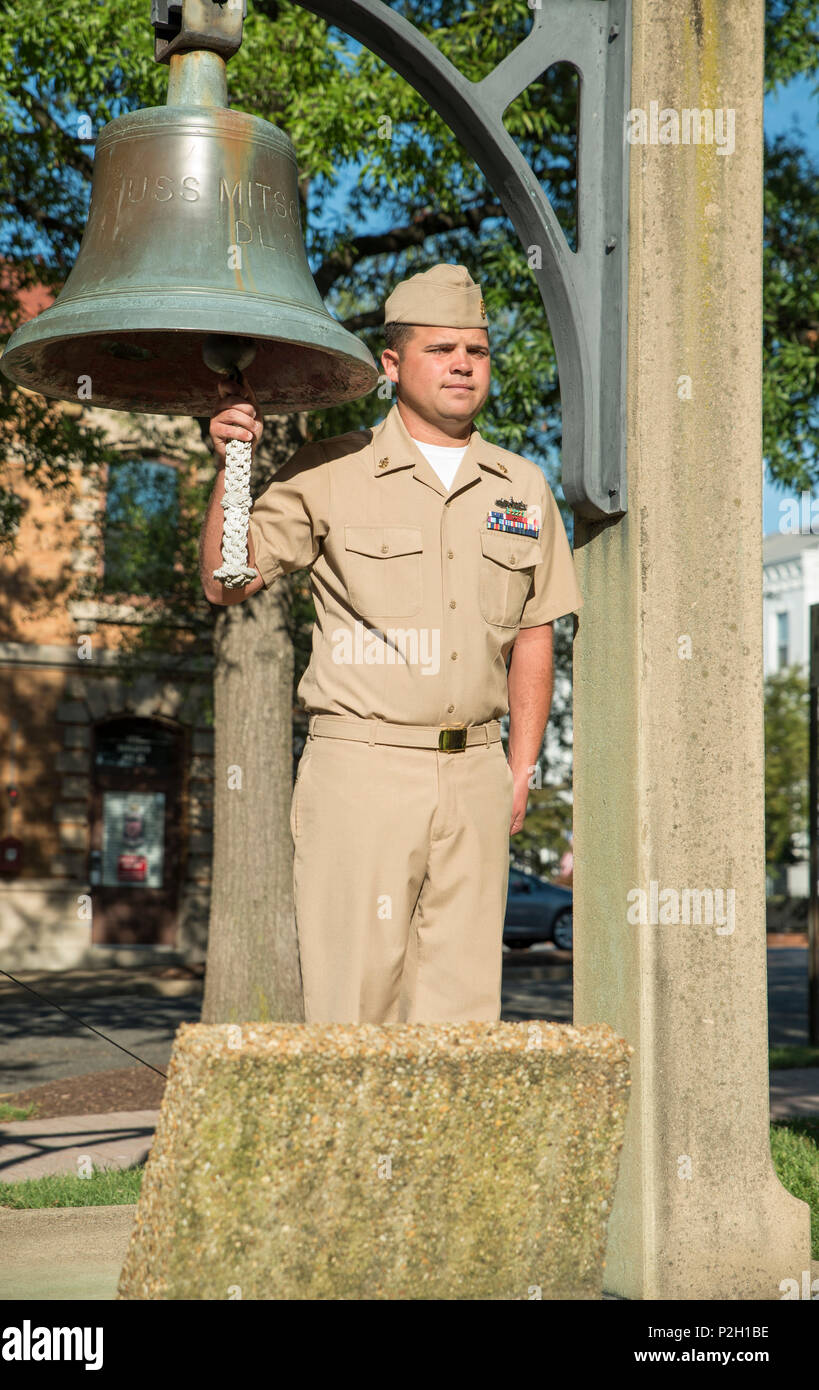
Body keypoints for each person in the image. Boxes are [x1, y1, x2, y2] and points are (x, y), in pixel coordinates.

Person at [199, 263, 583, 1023]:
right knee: (353, 1006)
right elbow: (223, 581)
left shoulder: (521, 487)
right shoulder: (329, 470)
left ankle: (436, 1150)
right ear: (391, 365)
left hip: (474, 770)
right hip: (360, 769)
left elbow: (534, 630)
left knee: (461, 1013)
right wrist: (230, 466)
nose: (462, 364)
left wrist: (517, 769)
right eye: (441, 350)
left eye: (475, 350)